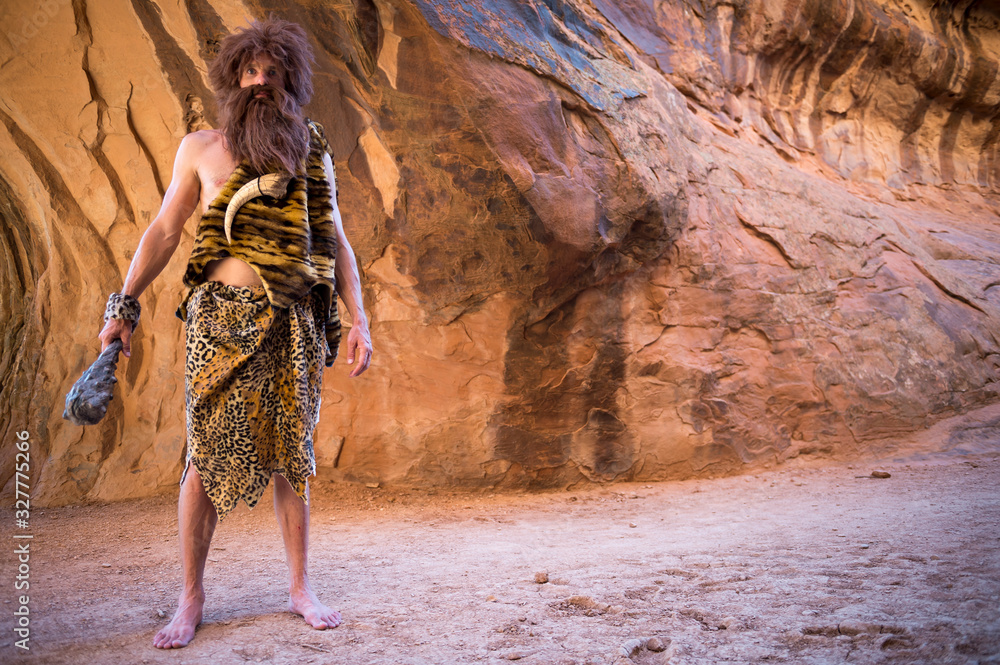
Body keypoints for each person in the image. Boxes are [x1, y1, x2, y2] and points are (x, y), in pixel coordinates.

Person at [97, 16, 372, 649]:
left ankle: (300, 587)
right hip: (217, 323)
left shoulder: (311, 150)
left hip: (292, 322)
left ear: (290, 82)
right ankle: (191, 596)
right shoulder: (202, 148)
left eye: (273, 74)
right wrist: (123, 305)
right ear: (233, 79)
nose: (260, 83)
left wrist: (360, 320)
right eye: (250, 72)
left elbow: (335, 240)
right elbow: (164, 232)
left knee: (290, 455)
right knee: (203, 457)